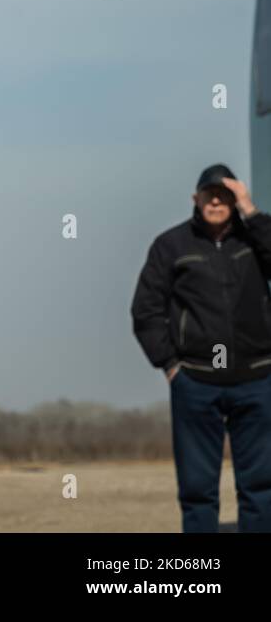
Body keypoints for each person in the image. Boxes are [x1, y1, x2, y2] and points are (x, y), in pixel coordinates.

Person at [131, 163, 271, 532]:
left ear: (236, 198)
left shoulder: (254, 239)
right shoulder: (171, 245)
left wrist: (251, 211)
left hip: (257, 379)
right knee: (197, 489)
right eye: (209, 194)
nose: (216, 201)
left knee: (260, 486)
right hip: (196, 382)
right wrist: (170, 365)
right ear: (196, 199)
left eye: (225, 194)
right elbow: (146, 310)